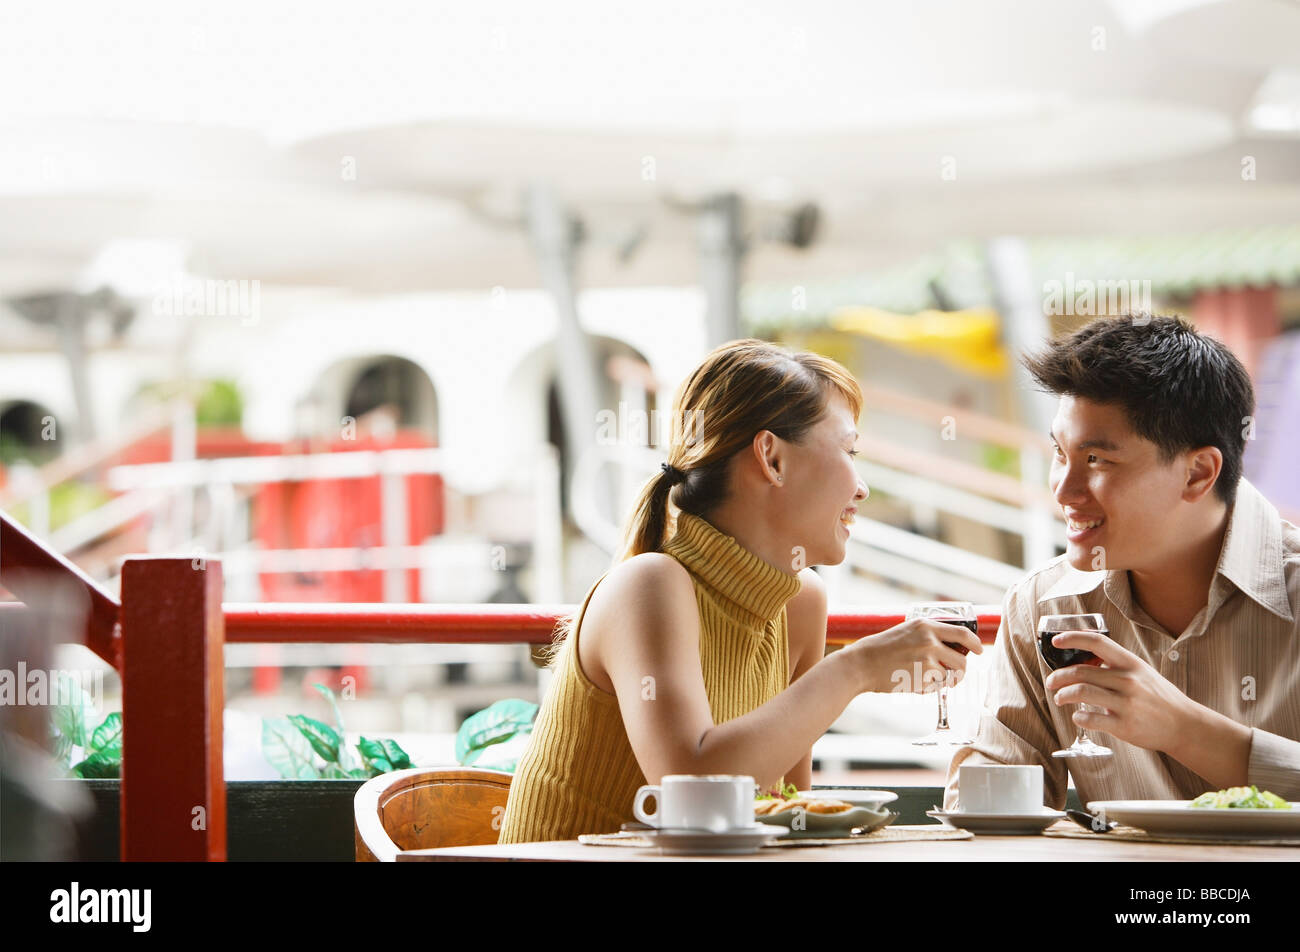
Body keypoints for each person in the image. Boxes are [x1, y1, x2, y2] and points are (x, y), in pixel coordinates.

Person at [498, 338, 981, 842]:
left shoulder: (801, 602)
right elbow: (690, 783)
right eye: (848, 451)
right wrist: (855, 668)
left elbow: (790, 816)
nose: (861, 487)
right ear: (771, 459)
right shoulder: (650, 585)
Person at [944, 314, 1300, 812]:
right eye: (1059, 453)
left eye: (1097, 461)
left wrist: (1183, 730)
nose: (1064, 491)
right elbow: (992, 794)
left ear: (1198, 473)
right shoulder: (1044, 607)